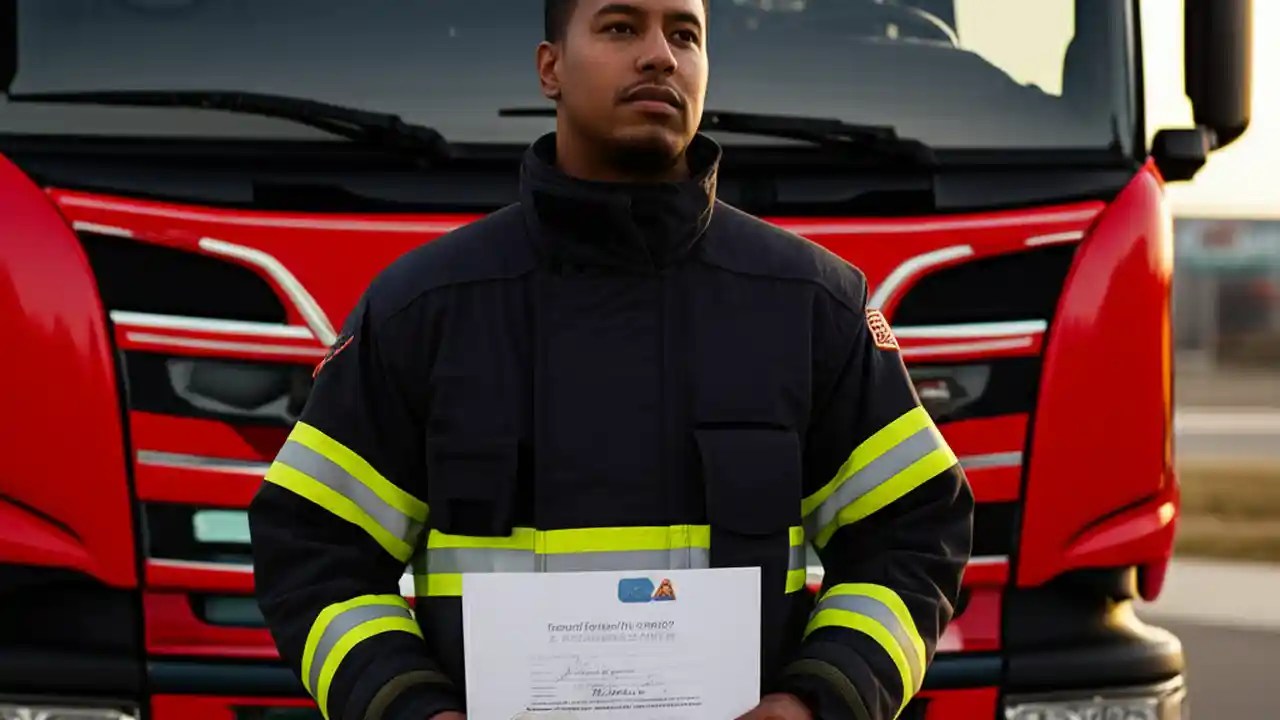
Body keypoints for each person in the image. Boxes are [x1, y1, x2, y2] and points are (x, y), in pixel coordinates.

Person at [247, 0, 975, 718]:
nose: (661, 54)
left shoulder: (812, 306)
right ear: (550, 68)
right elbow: (314, 548)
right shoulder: (425, 308)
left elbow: (911, 534)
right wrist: (410, 708)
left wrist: (819, 701)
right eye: (622, 27)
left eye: (684, 34)